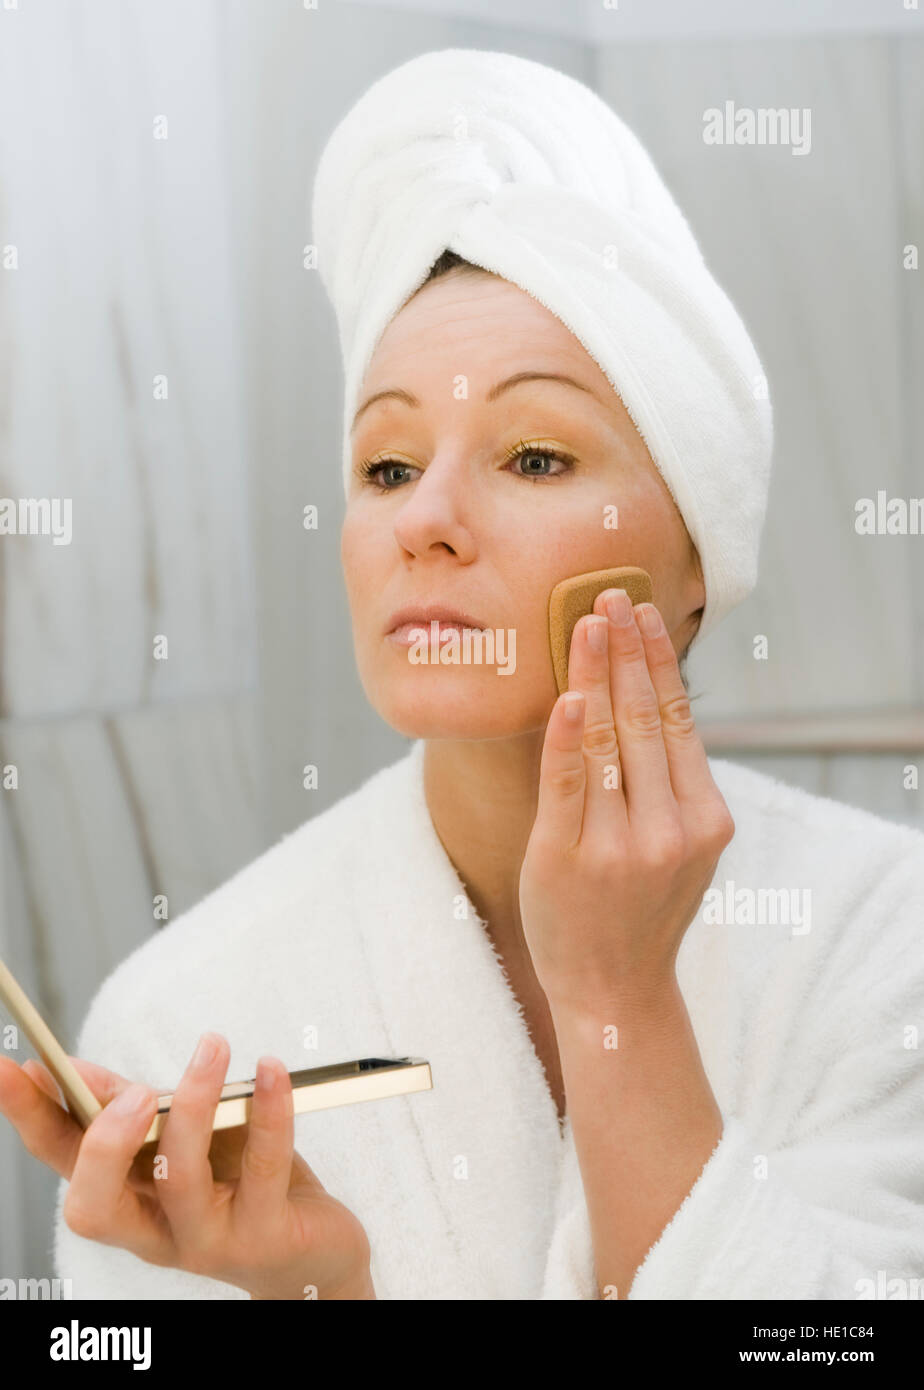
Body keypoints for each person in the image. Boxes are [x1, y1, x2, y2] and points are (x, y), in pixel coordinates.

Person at [1, 49, 922, 1302]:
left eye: (534, 455)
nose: (421, 520)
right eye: (385, 466)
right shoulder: (185, 1016)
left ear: (696, 556)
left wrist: (619, 997)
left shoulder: (886, 942)